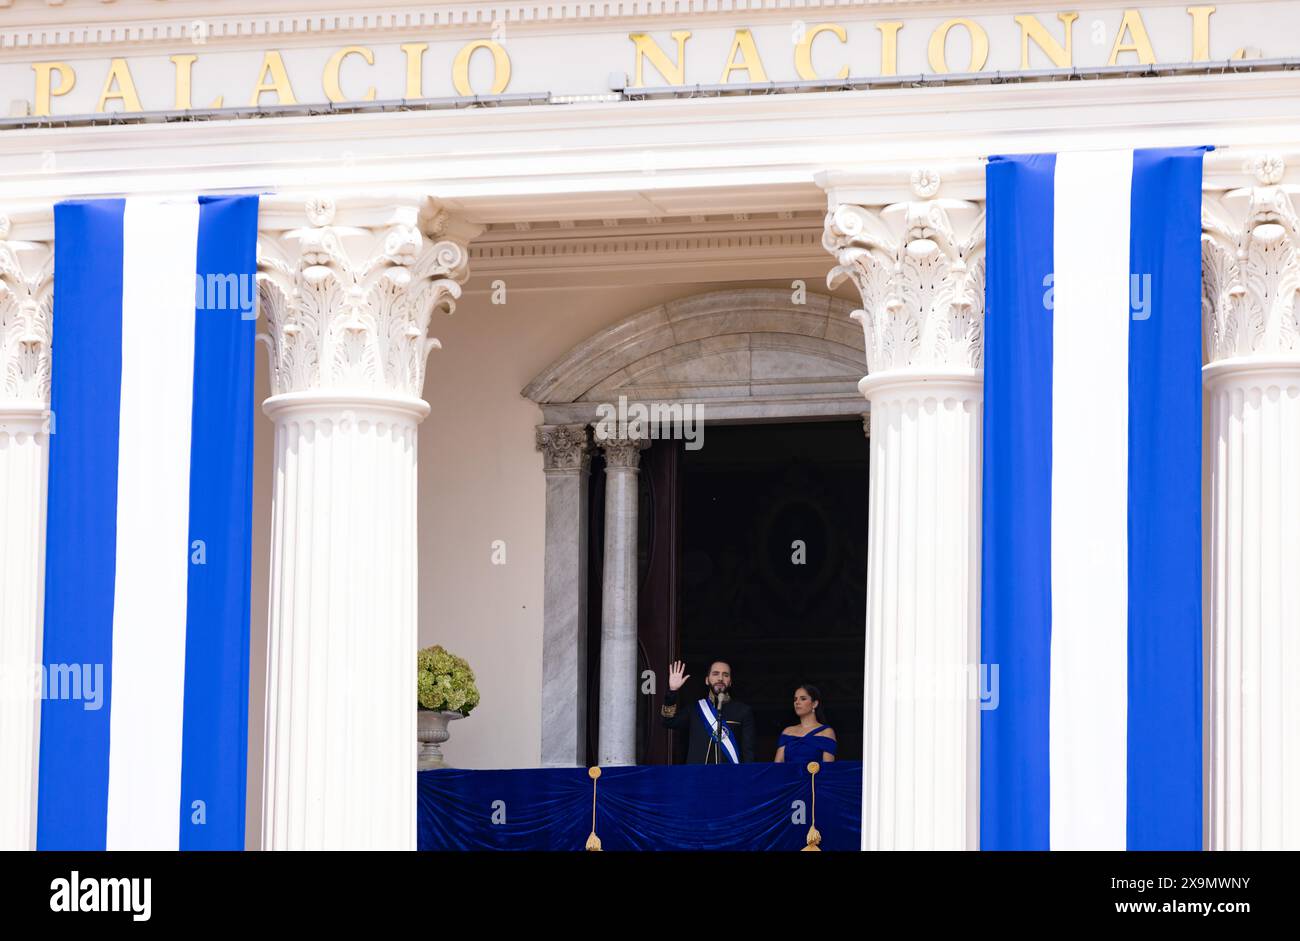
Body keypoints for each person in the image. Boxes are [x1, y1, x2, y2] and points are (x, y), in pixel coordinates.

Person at [660, 659, 756, 764]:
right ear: (707, 680)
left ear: (730, 682)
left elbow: (748, 753)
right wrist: (672, 692)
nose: (720, 678)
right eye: (715, 674)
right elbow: (668, 722)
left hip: (730, 777)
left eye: (725, 675)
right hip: (699, 777)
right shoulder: (694, 709)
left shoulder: (743, 711)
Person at [774, 684, 837, 764]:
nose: (797, 702)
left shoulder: (826, 732)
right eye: (795, 699)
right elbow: (777, 765)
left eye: (803, 699)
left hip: (814, 776)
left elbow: (828, 768)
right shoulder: (787, 732)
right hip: (789, 776)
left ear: (815, 704)